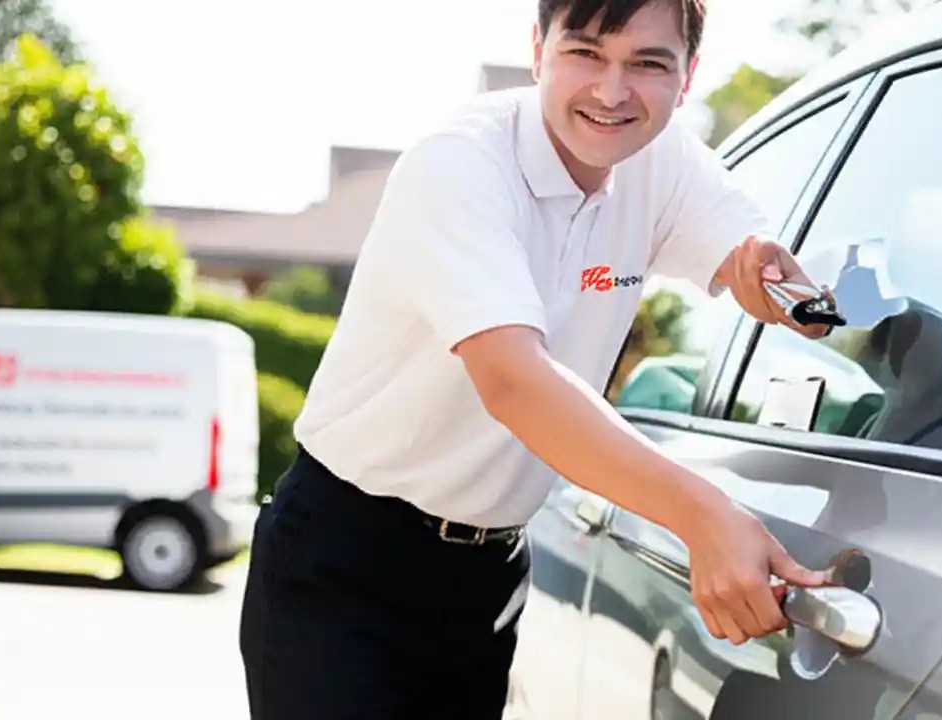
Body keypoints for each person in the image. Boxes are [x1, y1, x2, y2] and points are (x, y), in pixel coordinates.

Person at [237, 0, 834, 716]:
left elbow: (747, 254)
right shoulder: (460, 164)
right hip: (344, 561)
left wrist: (780, 285)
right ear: (537, 49)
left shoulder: (662, 160)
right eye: (585, 53)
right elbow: (514, 383)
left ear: (688, 74)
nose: (612, 93)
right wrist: (704, 516)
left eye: (648, 64)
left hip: (487, 577)